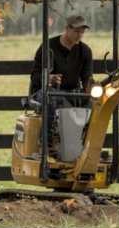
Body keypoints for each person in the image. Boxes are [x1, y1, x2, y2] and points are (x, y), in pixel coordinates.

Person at [30, 14, 94, 147]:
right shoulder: (48, 47)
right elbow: (35, 75)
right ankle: (45, 147)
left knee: (92, 101)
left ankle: (87, 145)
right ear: (67, 28)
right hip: (45, 90)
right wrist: (48, 79)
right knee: (52, 98)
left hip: (71, 91)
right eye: (76, 31)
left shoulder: (85, 51)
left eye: (82, 32)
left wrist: (93, 88)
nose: (80, 35)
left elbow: (87, 79)